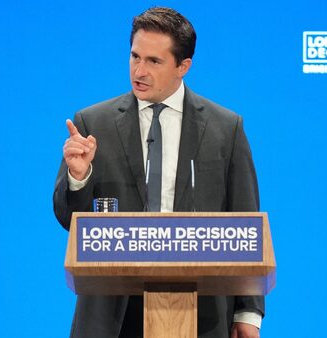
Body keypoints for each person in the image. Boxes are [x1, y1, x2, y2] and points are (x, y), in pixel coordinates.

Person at [53, 7, 263, 338]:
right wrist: (79, 177)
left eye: (154, 61)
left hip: (202, 311)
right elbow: (70, 220)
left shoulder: (226, 128)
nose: (139, 70)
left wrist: (248, 311)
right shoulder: (93, 124)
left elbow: (245, 220)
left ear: (183, 66)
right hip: (112, 314)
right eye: (135, 56)